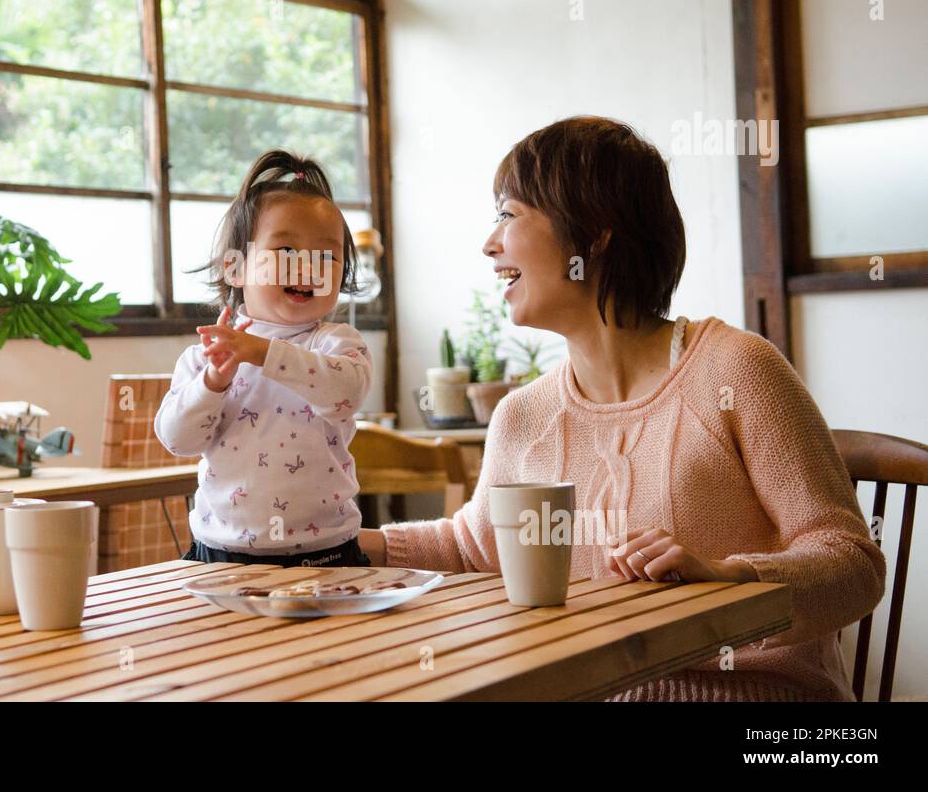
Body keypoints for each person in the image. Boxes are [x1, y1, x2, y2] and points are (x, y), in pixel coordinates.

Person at [359, 116, 885, 701]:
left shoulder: (737, 371)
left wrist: (731, 579)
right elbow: (472, 547)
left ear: (593, 234)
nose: (489, 243)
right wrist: (331, 546)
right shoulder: (522, 416)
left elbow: (851, 565)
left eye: (508, 214)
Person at [155, 150, 374, 568]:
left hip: (326, 554)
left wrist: (264, 352)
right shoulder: (204, 357)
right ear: (235, 269)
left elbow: (344, 395)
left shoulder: (338, 344)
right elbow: (177, 440)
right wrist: (212, 383)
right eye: (286, 250)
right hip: (221, 555)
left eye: (326, 257)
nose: (308, 267)